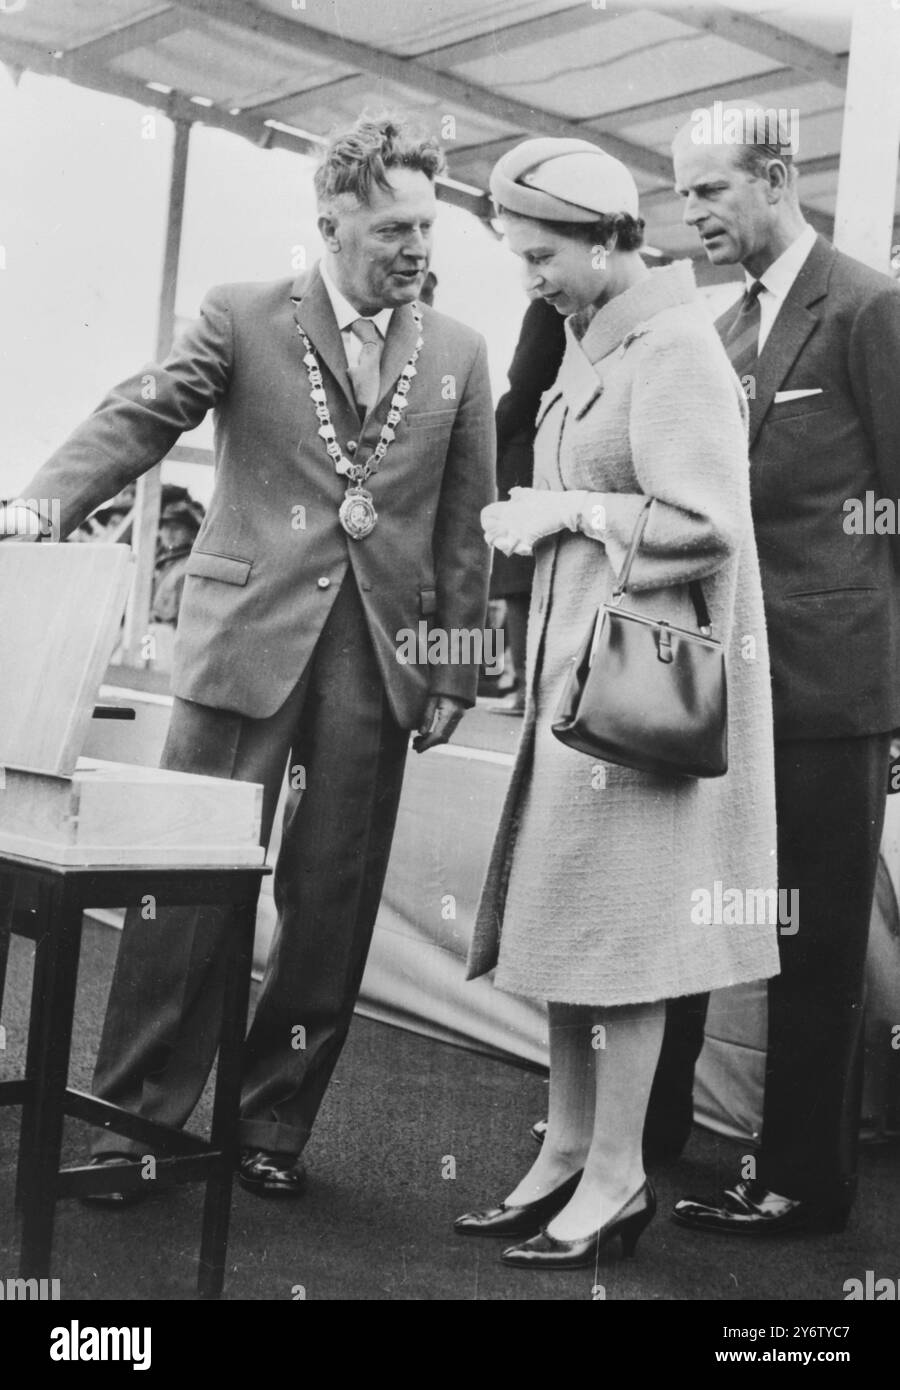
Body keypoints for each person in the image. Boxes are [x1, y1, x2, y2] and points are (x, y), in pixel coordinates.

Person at [0, 111, 495, 1200]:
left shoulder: (460, 351)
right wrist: (39, 510)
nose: (418, 249)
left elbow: (466, 522)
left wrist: (456, 664)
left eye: (428, 226)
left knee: (333, 899)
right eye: (394, 230)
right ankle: (135, 1124)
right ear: (331, 220)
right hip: (242, 650)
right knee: (180, 891)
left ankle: (273, 1121)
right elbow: (144, 412)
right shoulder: (240, 314)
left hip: (377, 662)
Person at [454, 136, 780, 1269]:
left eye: (542, 253)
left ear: (604, 241)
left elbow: (707, 523)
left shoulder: (674, 345)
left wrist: (566, 515)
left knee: (626, 943)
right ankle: (566, 1155)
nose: (529, 274)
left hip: (636, 699)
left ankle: (616, 1174)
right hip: (577, 689)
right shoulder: (599, 340)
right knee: (567, 926)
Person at [668, 107, 900, 1236]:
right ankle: (646, 1150)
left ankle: (802, 1180)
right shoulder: (717, 335)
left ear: (775, 177)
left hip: (831, 689)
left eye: (711, 190)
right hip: (722, 686)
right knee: (689, 916)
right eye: (682, 193)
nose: (692, 214)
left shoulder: (870, 306)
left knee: (811, 944)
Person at [488, 295, 566, 715]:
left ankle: (523, 686)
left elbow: (523, 382)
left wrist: (494, 437)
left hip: (526, 452)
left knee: (517, 576)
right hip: (557, 447)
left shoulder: (545, 308)